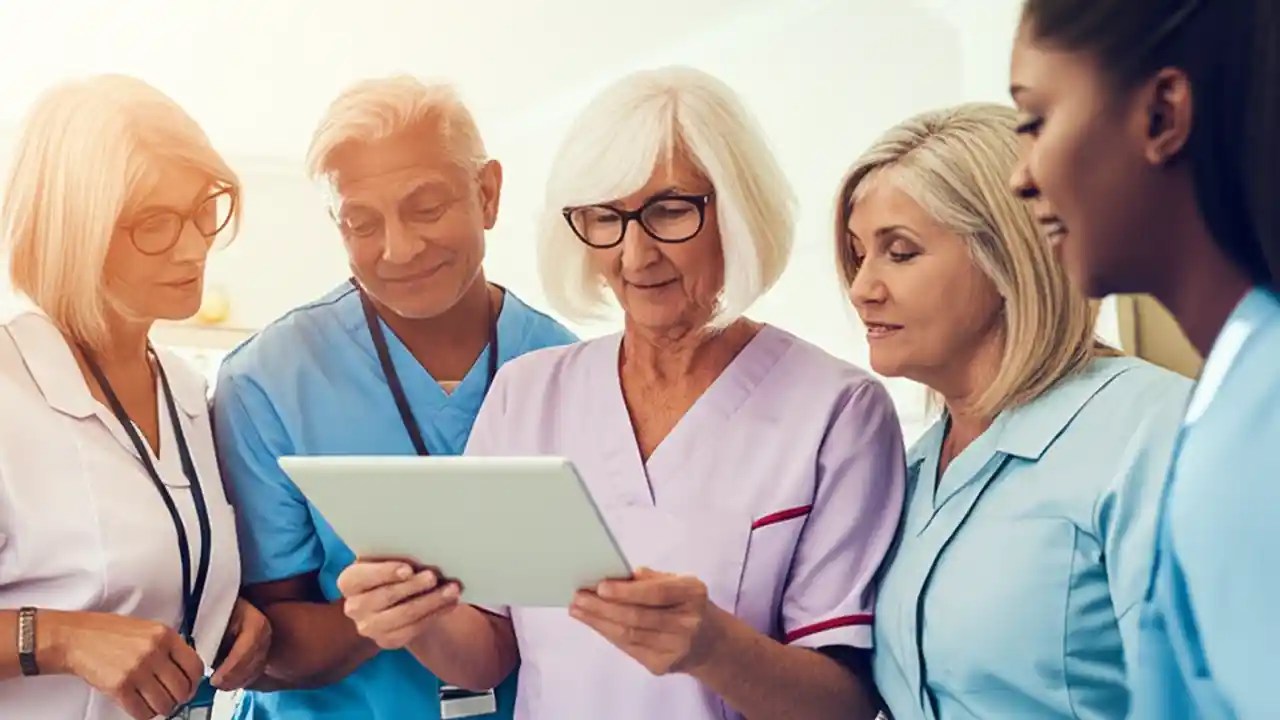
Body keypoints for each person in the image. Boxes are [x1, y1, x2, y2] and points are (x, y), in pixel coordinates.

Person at [336, 65, 907, 720]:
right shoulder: (528, 394)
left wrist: (715, 648)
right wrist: (415, 618)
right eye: (606, 218)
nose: (636, 257)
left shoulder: (836, 411)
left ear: (738, 209)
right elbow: (492, 647)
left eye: (668, 211)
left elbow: (846, 704)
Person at [213, 75, 577, 720]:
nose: (399, 249)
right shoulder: (267, 379)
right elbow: (262, 646)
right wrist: (379, 612)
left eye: (427, 207)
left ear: (487, 194)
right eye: (361, 222)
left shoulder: (569, 369)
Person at [838, 103, 1192, 719]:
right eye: (858, 254)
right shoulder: (912, 471)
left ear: (1008, 256)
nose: (862, 287)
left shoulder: (1153, 434)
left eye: (900, 252)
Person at [1009, 1, 1280, 717]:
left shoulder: (1260, 428)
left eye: (1034, 123)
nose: (1021, 178)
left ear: (1162, 115)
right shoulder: (1231, 399)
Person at [0, 74, 270, 720]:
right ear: (75, 229)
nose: (195, 246)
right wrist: (59, 638)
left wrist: (218, 607)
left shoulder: (184, 387)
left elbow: (141, 564)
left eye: (204, 208)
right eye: (154, 223)